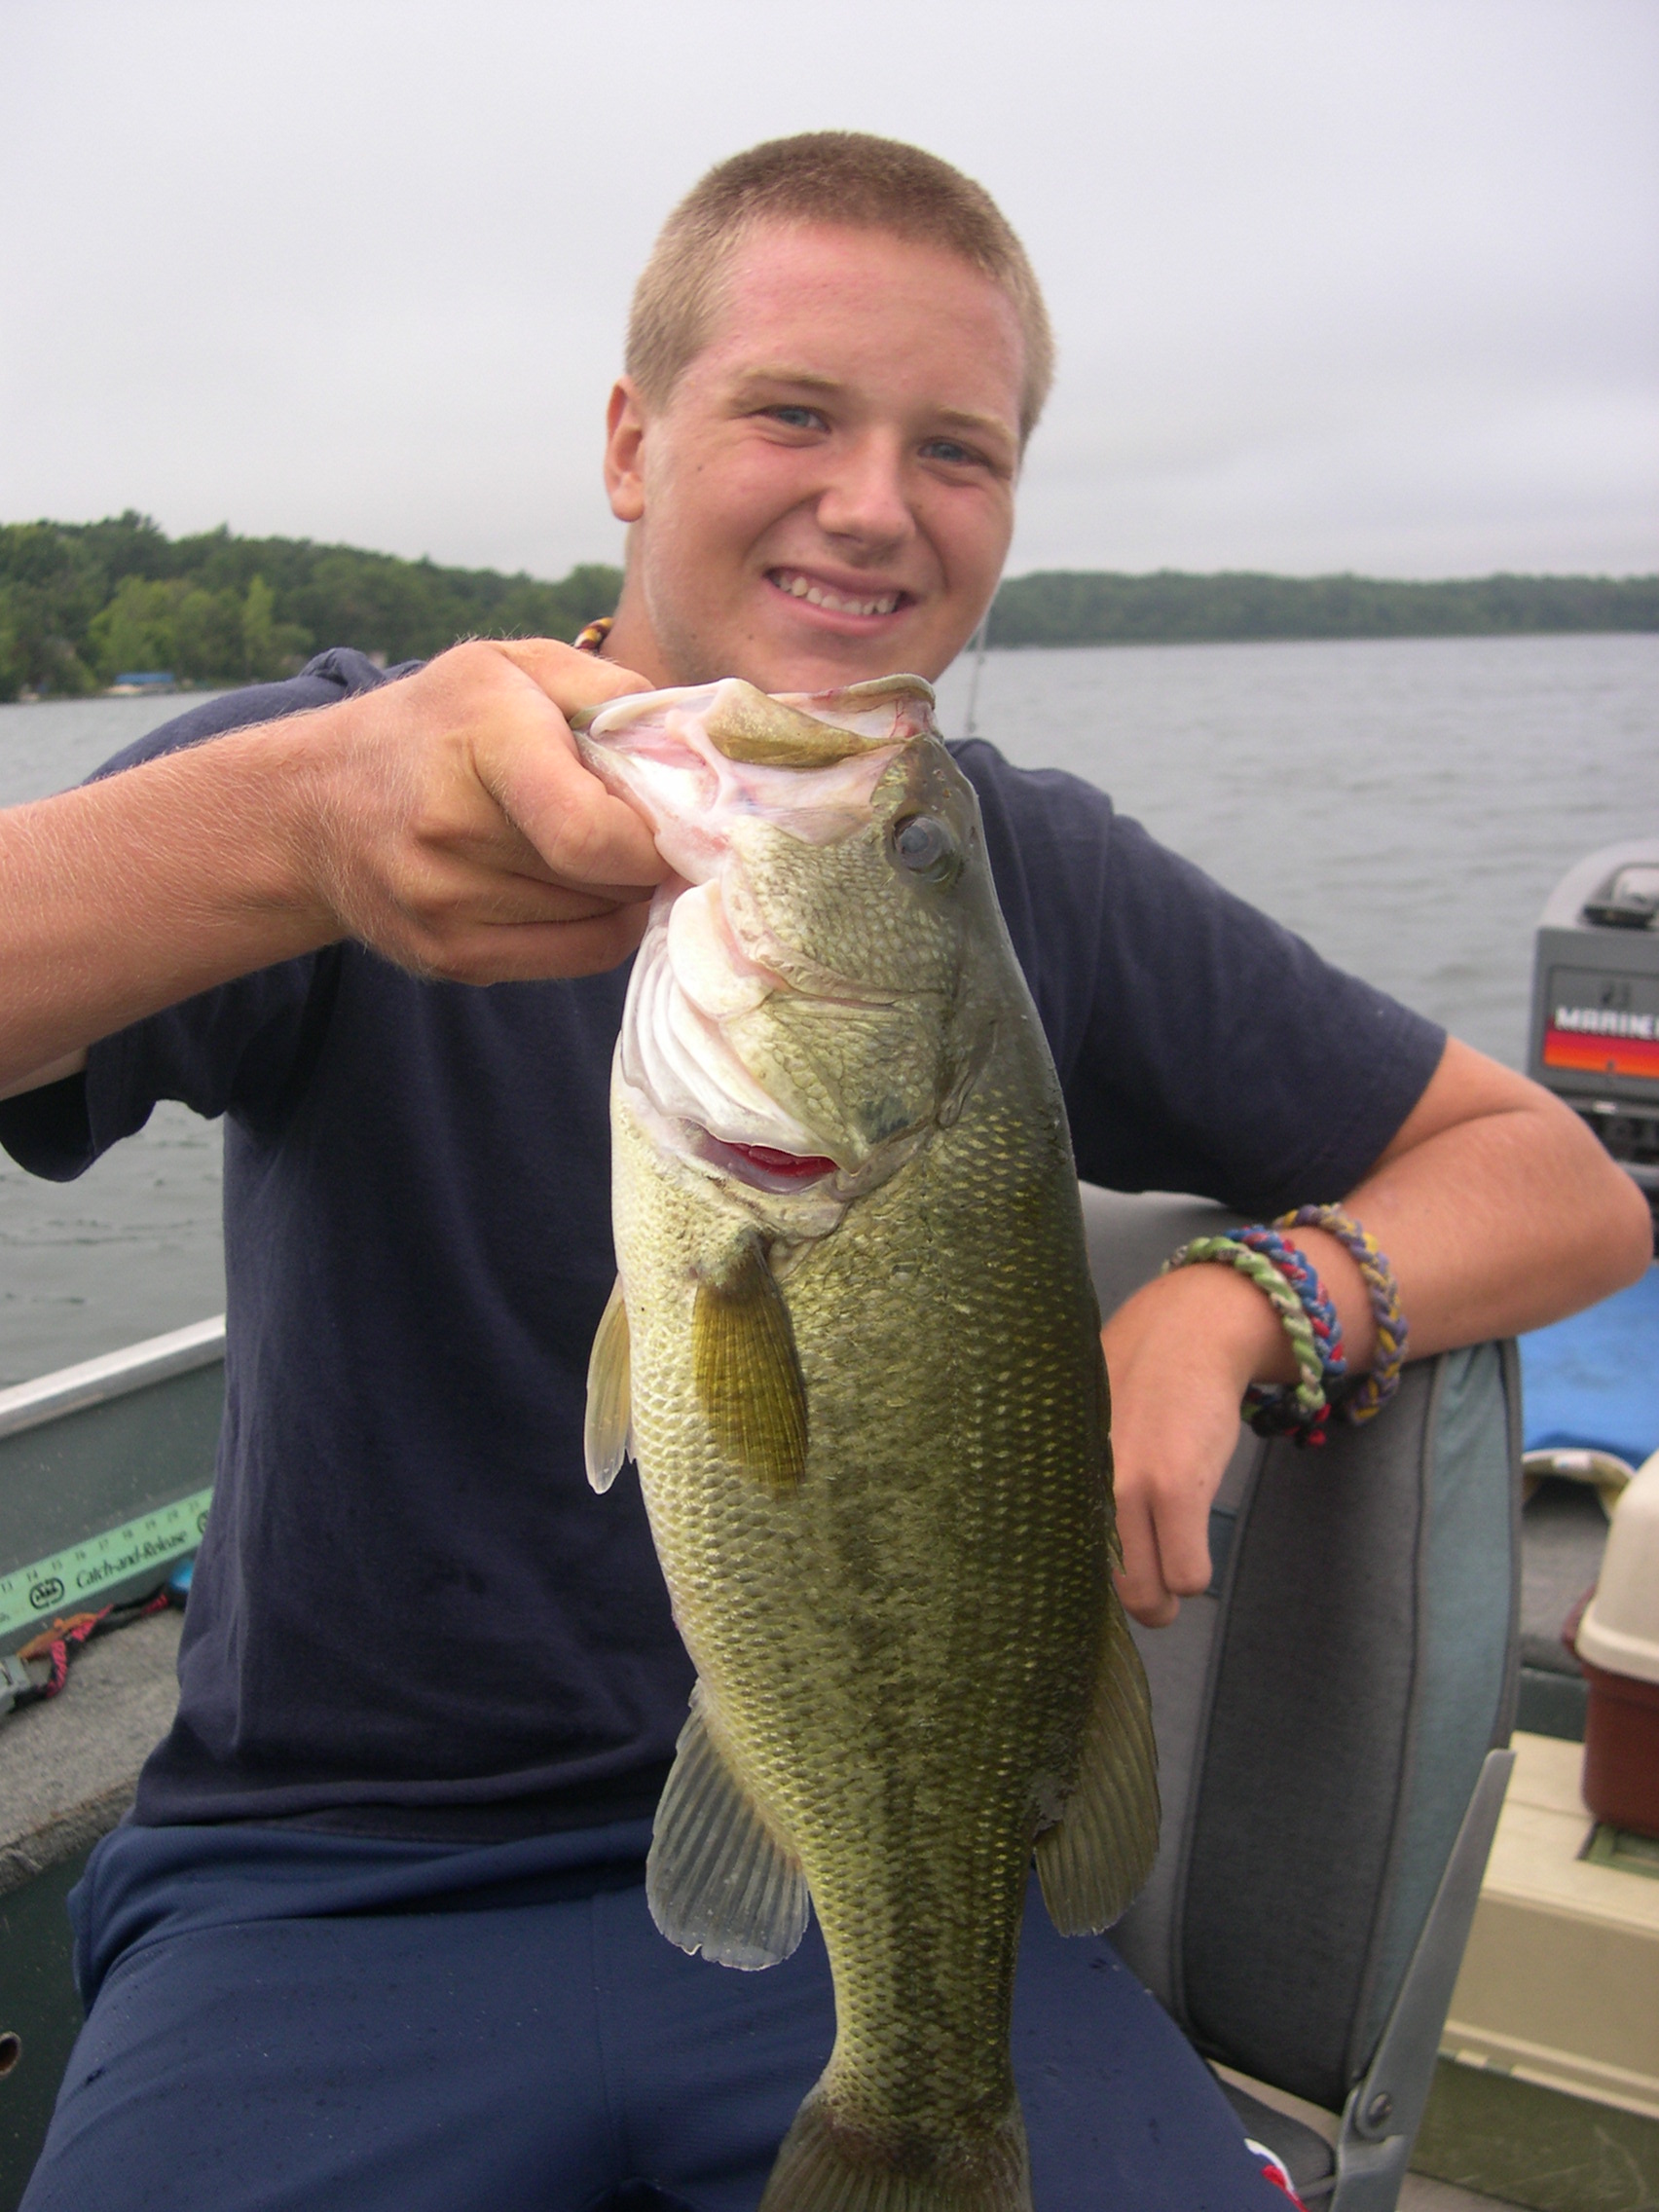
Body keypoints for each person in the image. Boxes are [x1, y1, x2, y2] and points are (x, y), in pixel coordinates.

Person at [0, 134, 1646, 2212]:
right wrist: (290, 838)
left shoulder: (977, 857)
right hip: (324, 1886)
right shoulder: (351, 778)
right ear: (630, 436)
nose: (875, 502)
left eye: (957, 449)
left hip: (919, 1884)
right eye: (794, 410)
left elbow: (1564, 1180)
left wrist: (1240, 1303)